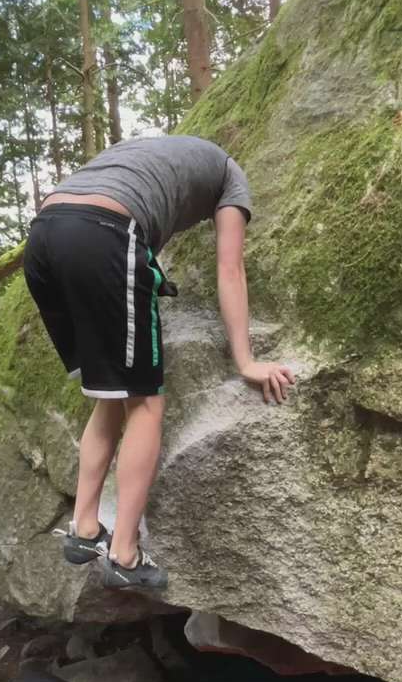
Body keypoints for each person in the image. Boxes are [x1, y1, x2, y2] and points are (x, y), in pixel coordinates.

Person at [24, 134, 295, 591]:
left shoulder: (146, 157)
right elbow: (230, 269)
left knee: (110, 396)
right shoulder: (230, 177)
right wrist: (245, 361)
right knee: (145, 404)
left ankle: (84, 529)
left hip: (44, 237)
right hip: (103, 234)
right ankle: (125, 554)